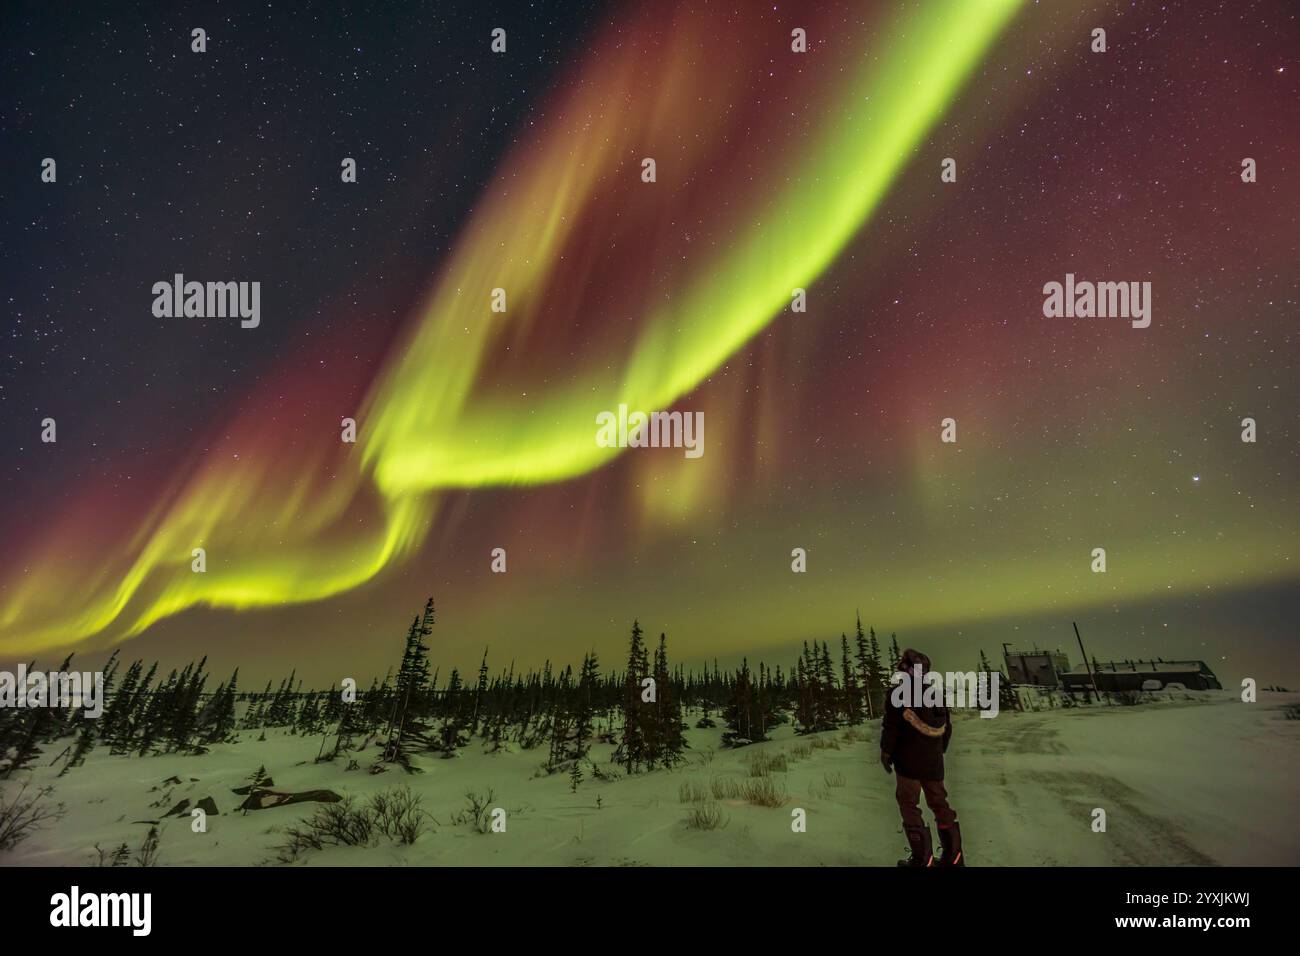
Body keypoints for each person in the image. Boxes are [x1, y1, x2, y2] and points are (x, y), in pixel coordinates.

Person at [879, 648, 963, 866]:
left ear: (906, 669)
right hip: (933, 762)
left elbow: (891, 727)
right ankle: (954, 856)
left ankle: (921, 858)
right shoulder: (936, 693)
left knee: (909, 804)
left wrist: (886, 752)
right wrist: (937, 751)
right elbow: (947, 727)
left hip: (908, 763)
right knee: (939, 803)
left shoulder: (897, 693)